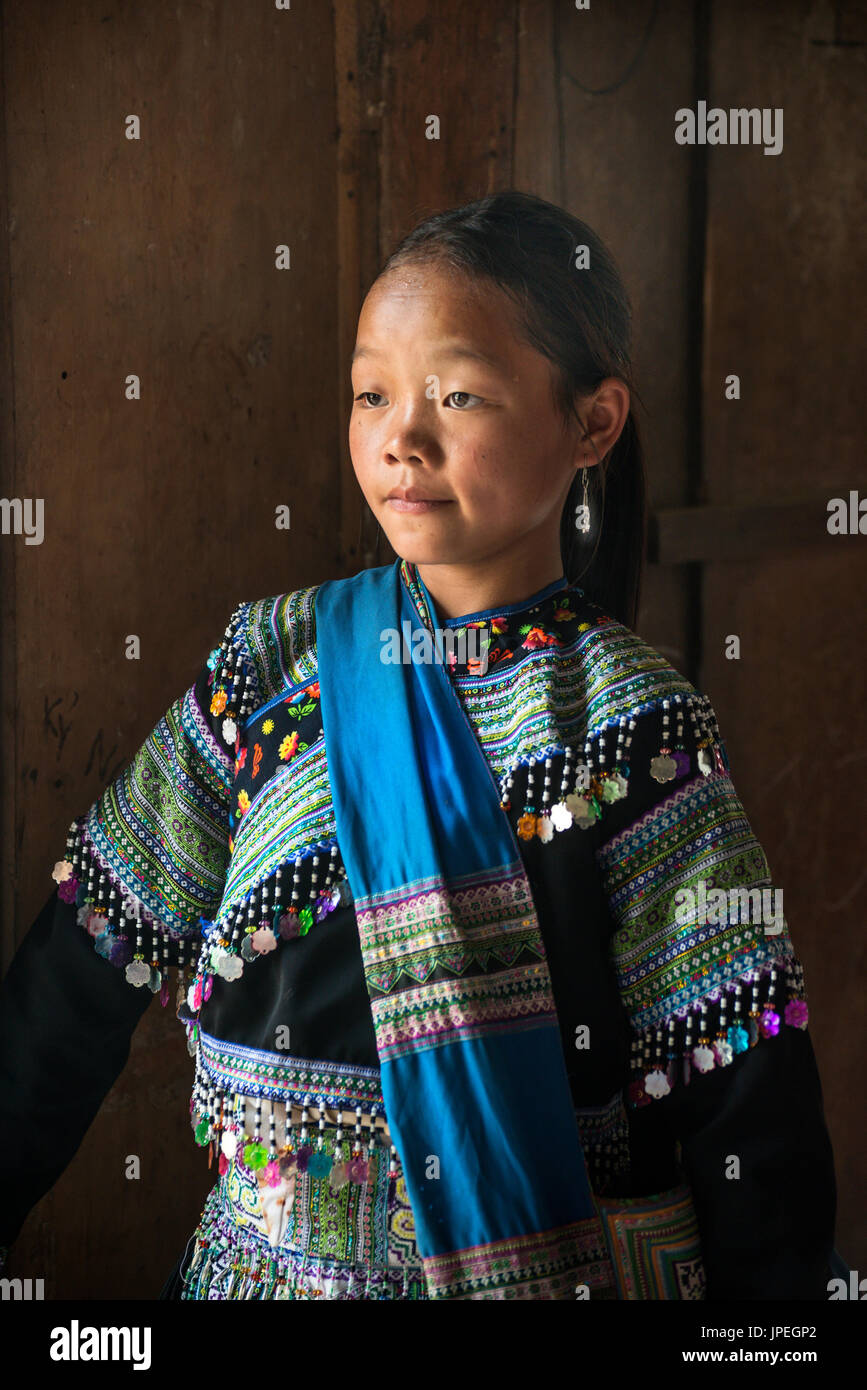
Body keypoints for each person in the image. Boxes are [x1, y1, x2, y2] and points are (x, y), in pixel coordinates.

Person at [0, 191, 838, 1301]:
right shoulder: (270, 663)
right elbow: (84, 966)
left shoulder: (632, 725)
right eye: (372, 393)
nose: (402, 434)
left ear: (593, 423)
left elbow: (746, 1085)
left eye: (456, 394)